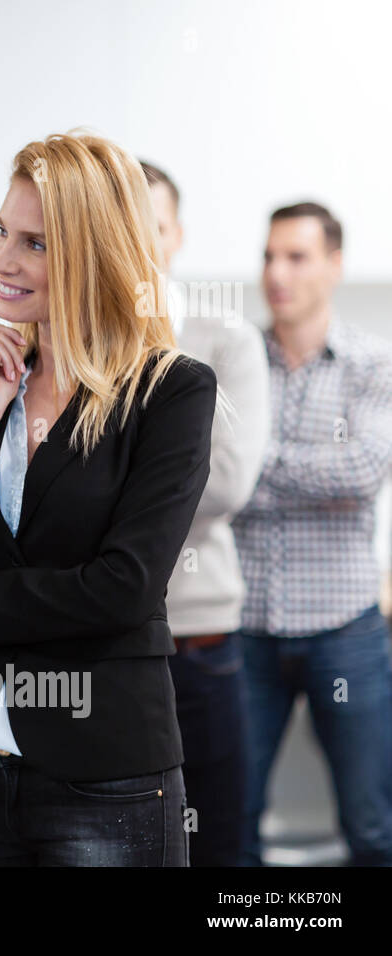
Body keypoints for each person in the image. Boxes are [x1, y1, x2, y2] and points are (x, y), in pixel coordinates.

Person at [0, 131, 217, 867]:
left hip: (108, 775)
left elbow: (123, 589)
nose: (0, 258)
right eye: (2, 231)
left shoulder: (170, 391)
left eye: (33, 242)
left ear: (93, 254)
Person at [231, 201, 392, 866]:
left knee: (371, 823)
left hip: (344, 632)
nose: (277, 272)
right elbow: (209, 482)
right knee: (228, 820)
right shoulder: (234, 363)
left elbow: (364, 469)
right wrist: (270, 472)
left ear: (334, 265)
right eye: (269, 256)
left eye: (296, 256)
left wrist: (255, 462)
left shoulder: (370, 363)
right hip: (245, 632)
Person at [143, 160, 269, 866]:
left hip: (199, 641)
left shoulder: (226, 339)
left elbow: (226, 485)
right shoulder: (71, 342)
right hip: (103, 649)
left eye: (152, 226)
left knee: (220, 849)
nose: (138, 242)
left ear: (177, 234)